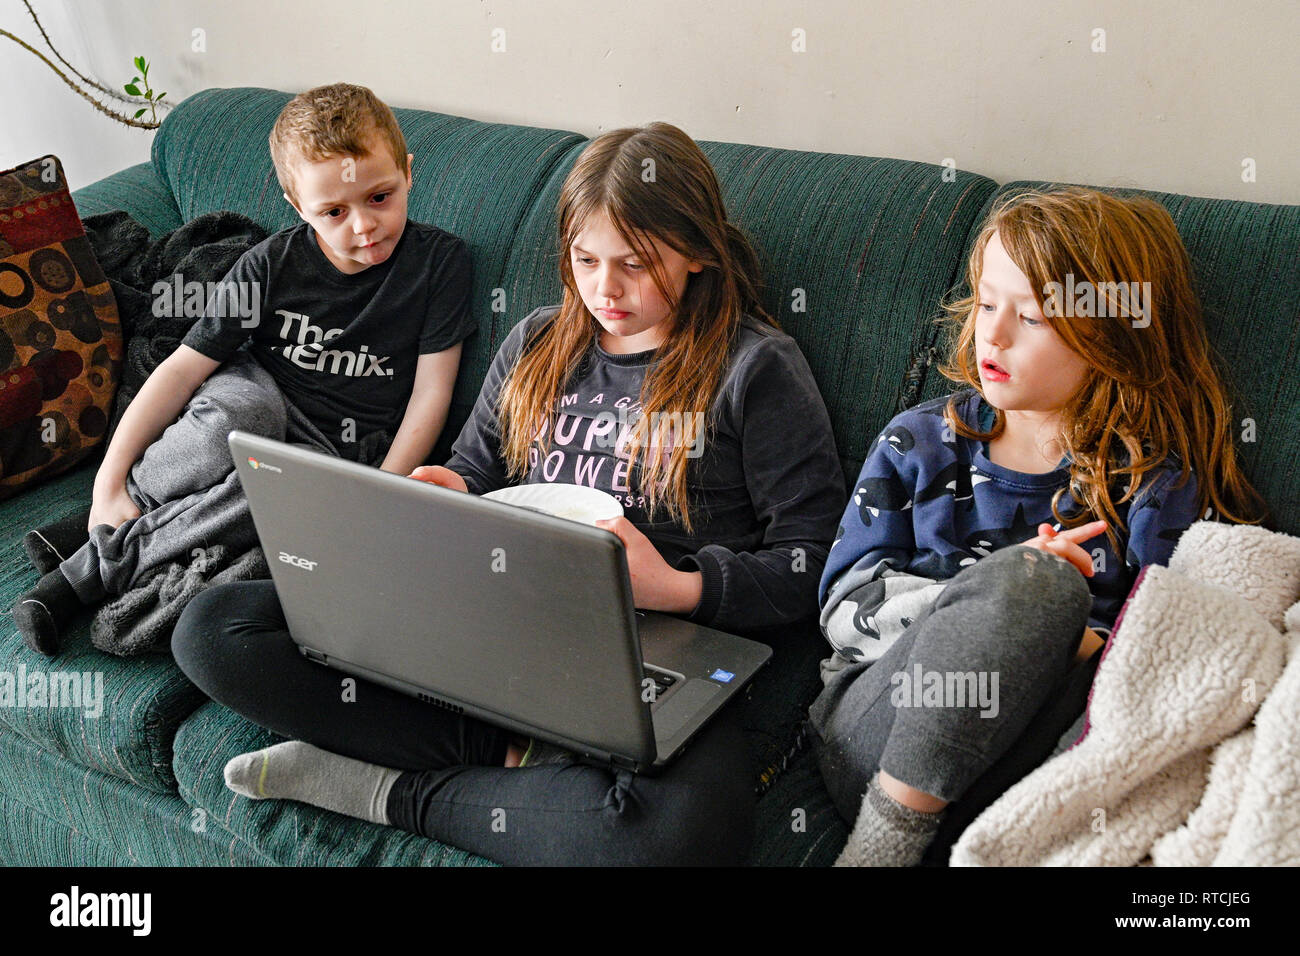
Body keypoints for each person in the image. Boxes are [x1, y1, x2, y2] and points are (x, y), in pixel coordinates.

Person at [170, 122, 846, 866]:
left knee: (683, 837)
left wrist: (680, 587)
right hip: (494, 614)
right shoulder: (536, 342)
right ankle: (530, 757)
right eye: (585, 260)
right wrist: (443, 492)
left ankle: (389, 791)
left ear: (696, 254)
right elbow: (475, 470)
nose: (604, 289)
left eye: (636, 265)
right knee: (214, 629)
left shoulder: (756, 368)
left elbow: (814, 562)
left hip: (648, 641)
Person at [812, 186, 1270, 866]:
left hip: (1027, 763)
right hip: (879, 733)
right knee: (1030, 581)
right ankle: (881, 848)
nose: (991, 334)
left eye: (1029, 318)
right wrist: (989, 600)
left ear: (1112, 336)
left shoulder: (1151, 481)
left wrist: (1049, 628)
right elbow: (844, 612)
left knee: (1042, 592)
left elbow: (1163, 655)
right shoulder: (918, 443)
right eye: (987, 303)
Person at [13, 82, 474, 657]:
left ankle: (86, 570)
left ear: (407, 172)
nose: (363, 227)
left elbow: (432, 394)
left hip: (335, 450)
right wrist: (108, 478)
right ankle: (112, 508)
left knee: (271, 498)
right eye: (333, 211)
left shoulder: (441, 263)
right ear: (294, 203)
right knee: (247, 412)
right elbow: (182, 371)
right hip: (252, 400)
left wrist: (379, 489)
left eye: (380, 197)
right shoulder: (268, 265)